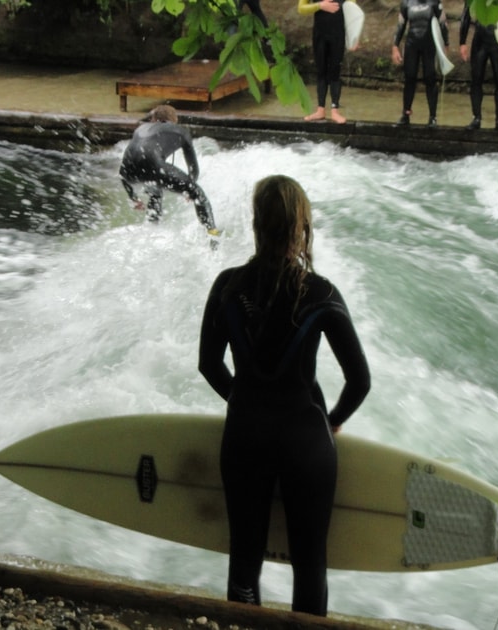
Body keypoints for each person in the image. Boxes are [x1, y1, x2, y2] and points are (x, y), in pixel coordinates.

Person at [198, 175, 371, 616]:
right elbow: (359, 381)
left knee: (244, 562)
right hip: (305, 442)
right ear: (302, 228)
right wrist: (330, 420)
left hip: (245, 436)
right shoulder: (320, 293)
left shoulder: (227, 287)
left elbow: (209, 364)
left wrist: (244, 399)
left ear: (257, 224)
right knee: (309, 564)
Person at [119, 105, 219, 236]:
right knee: (199, 195)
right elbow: (193, 167)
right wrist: (190, 189)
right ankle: (212, 235)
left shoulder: (140, 128)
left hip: (128, 171)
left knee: (155, 191)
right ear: (175, 120)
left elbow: (123, 172)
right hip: (153, 164)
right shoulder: (181, 131)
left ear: (154, 119)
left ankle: (151, 230)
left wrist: (133, 197)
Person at [392, 0, 448, 127]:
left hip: (429, 45)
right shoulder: (406, 3)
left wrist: (446, 44)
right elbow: (400, 25)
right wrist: (395, 46)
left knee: (430, 78)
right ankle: (405, 115)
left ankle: (433, 117)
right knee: (409, 77)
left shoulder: (434, 2)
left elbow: (443, 23)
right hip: (412, 44)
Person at [459, 5, 498, 131]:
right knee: (476, 79)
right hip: (480, 39)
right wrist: (462, 42)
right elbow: (466, 15)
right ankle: (476, 117)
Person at [298, 0, 349, 124]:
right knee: (321, 70)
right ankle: (320, 110)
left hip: (338, 35)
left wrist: (354, 36)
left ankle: (335, 110)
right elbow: (301, 8)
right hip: (320, 34)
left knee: (335, 71)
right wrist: (320, 5)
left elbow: (352, 11)